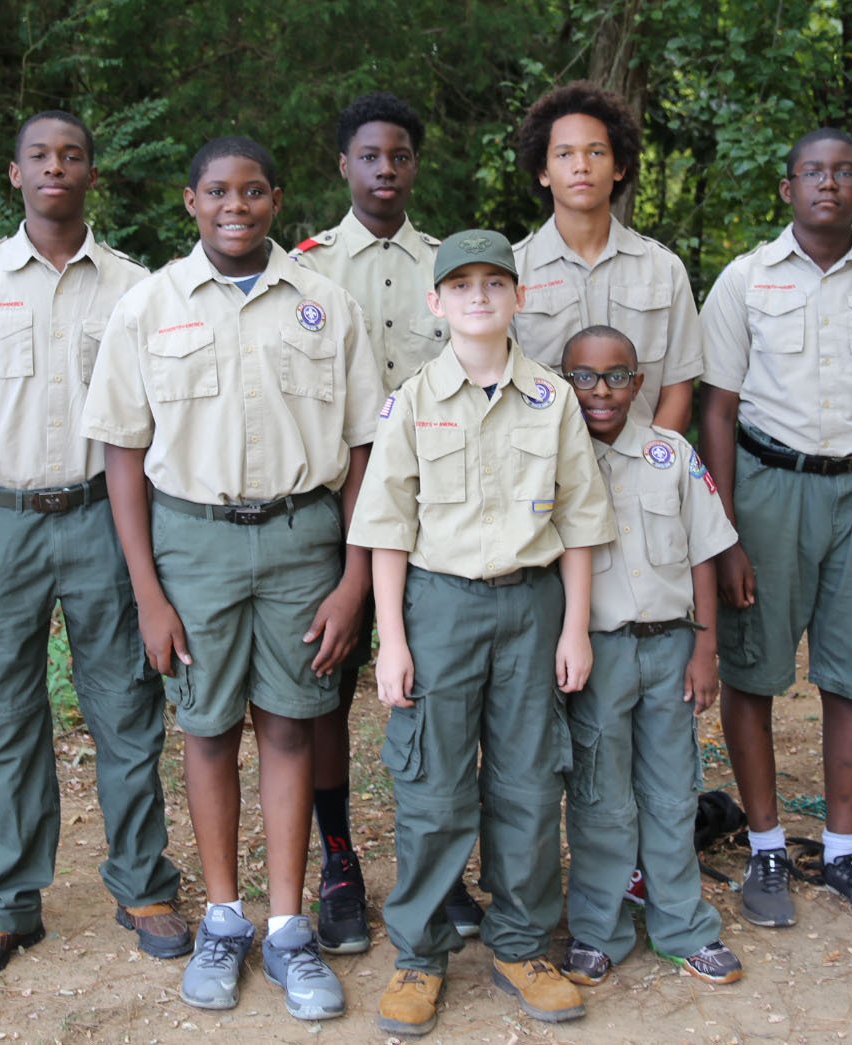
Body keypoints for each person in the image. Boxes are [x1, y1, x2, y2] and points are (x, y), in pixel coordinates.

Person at [81, 136, 378, 1022]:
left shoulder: (326, 305)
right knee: (207, 728)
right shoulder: (148, 308)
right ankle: (222, 917)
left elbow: (366, 448)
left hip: (302, 539)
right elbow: (124, 456)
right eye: (218, 191)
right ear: (191, 201)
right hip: (193, 542)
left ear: (278, 199)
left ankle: (287, 926)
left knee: (291, 726)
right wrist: (148, 591)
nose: (235, 206)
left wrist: (353, 580)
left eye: (253, 190)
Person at [0, 111, 189, 979]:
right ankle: (6, 901)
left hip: (103, 517)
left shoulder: (136, 288)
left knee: (126, 707)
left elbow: (156, 422)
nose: (55, 167)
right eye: (39, 156)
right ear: (15, 173)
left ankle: (143, 885)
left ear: (91, 174)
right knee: (2, 711)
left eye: (72, 156)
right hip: (3, 522)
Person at [350, 230, 614, 1037]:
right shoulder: (413, 402)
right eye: (459, 284)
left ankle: (521, 943)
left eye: (493, 283)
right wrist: (391, 640)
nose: (476, 297)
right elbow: (388, 531)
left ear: (517, 297)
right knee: (432, 786)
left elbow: (578, 523)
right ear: (436, 302)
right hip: (439, 608)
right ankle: (421, 955)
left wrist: (576, 628)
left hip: (531, 609)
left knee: (531, 783)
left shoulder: (553, 399)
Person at [699, 128, 852, 930]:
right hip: (768, 489)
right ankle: (767, 842)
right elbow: (720, 410)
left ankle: (842, 849)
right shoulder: (745, 280)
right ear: (787, 188)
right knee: (754, 669)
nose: (829, 185)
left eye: (845, 173)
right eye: (813, 172)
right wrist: (725, 532)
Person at [289, 91, 483, 952]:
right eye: (369, 156)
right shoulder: (306, 270)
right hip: (333, 512)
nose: (385, 170)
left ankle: (442, 870)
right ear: (344, 166)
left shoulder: (453, 269)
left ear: (415, 166)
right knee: (325, 689)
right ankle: (338, 862)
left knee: (440, 690)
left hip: (442, 516)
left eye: (400, 156)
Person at [557, 326, 742, 988]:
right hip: (599, 653)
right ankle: (598, 927)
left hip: (670, 648)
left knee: (671, 791)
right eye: (583, 375)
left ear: (640, 384)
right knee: (602, 795)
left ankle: (681, 924)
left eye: (616, 375)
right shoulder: (557, 460)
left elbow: (701, 554)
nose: (600, 390)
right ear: (562, 380)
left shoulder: (674, 454)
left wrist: (706, 644)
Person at [512, 81, 703, 431]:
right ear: (543, 171)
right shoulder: (511, 274)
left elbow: (678, 390)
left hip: (645, 474)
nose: (581, 166)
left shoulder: (664, 269)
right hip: (545, 478)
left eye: (596, 152)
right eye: (564, 154)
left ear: (620, 167)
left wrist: (651, 468)